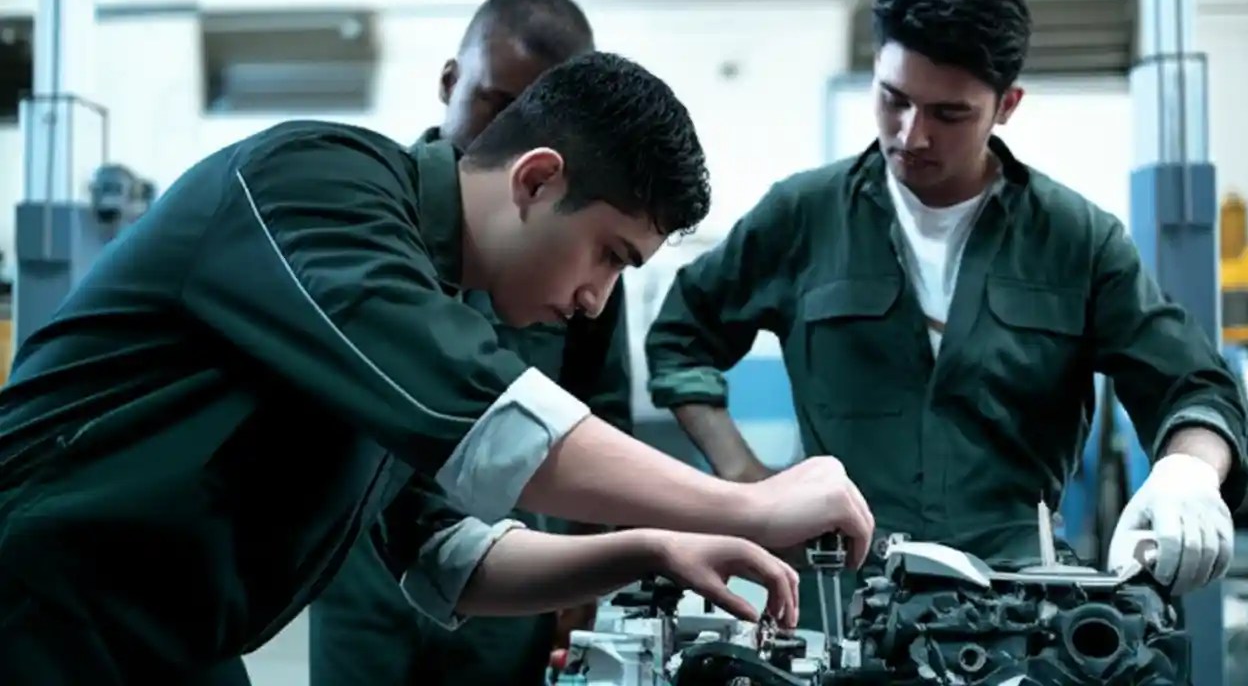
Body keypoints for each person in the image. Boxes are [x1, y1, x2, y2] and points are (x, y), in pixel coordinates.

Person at [0, 51, 877, 685]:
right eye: (607, 256)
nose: (596, 301)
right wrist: (751, 504)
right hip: (40, 607)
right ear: (536, 182)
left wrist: (648, 549)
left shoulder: (434, 307)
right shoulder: (316, 185)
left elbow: (448, 553)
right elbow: (485, 421)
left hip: (165, 637)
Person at [644, 0, 1248, 634]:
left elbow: (1193, 385)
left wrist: (1188, 471)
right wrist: (743, 475)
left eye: (948, 113)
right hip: (839, 601)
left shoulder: (1076, 240)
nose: (911, 135)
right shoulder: (803, 216)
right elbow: (682, 334)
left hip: (1016, 609)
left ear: (1007, 104)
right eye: (893, 99)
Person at [309, 0, 634, 686]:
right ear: (451, 82)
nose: (511, 141)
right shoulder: (363, 224)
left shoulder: (586, 267)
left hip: (510, 566)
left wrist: (587, 572)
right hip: (362, 570)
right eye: (496, 104)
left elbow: (598, 409)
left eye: (544, 122)